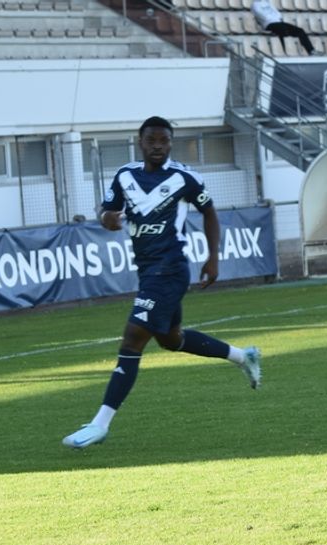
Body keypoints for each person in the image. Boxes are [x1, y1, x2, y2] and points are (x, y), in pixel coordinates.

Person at [62, 116, 261, 450]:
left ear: (171, 143)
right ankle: (245, 357)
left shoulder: (185, 178)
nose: (158, 146)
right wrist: (106, 219)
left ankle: (100, 423)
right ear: (140, 142)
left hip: (170, 269)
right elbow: (108, 211)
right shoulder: (125, 176)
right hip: (147, 270)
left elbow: (209, 213)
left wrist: (213, 257)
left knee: (132, 339)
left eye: (164, 140)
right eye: (151, 140)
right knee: (170, 339)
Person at [250, 0, 316, 55]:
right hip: (268, 24)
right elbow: (261, 15)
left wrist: (277, 17)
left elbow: (276, 12)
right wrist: (272, 18)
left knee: (300, 30)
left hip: (278, 22)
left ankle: (311, 50)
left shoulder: (267, 2)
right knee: (282, 30)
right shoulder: (255, 5)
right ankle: (284, 51)